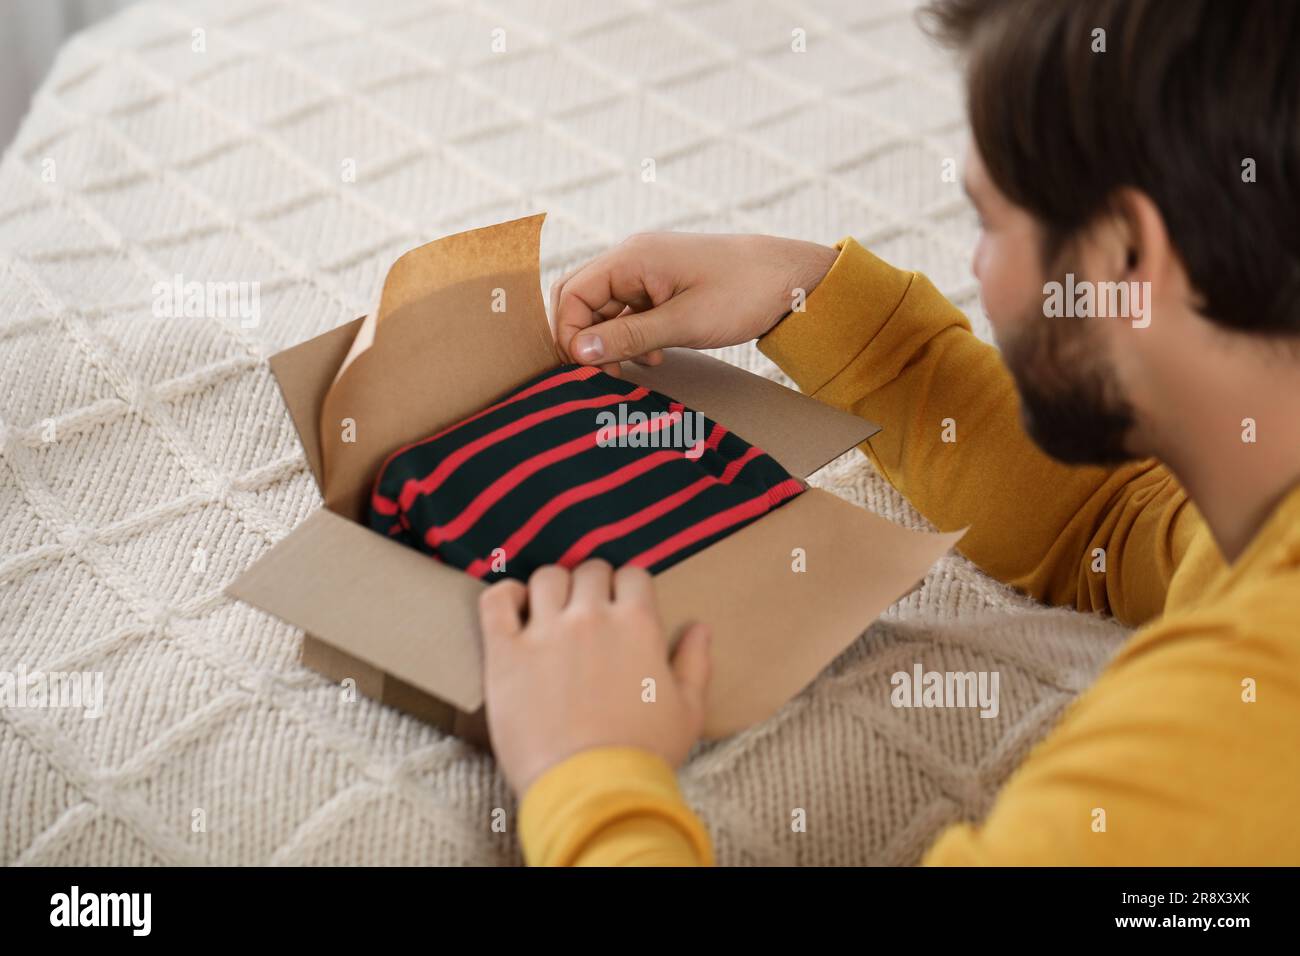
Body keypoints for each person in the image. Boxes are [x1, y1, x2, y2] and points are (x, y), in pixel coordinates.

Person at [477, 0, 1300, 865]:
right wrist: (812, 298)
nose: (976, 267)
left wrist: (590, 773)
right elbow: (1117, 523)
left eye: (988, 220)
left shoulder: (1223, 744)